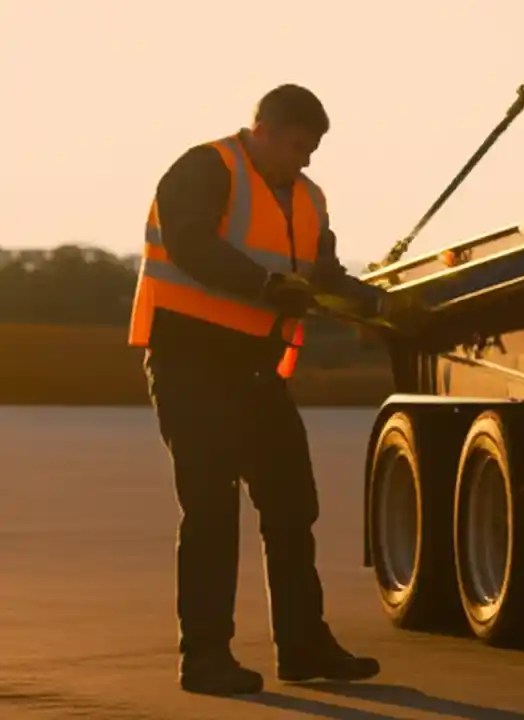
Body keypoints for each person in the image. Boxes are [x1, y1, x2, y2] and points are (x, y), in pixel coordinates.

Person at [128, 83, 387, 696]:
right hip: (191, 364)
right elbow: (190, 243)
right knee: (212, 510)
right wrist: (263, 286)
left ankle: (302, 645)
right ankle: (205, 657)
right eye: (297, 145)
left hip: (256, 372)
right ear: (262, 130)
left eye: (313, 149)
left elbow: (321, 274)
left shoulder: (308, 196)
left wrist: (375, 302)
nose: (305, 159)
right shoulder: (204, 168)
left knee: (294, 507)